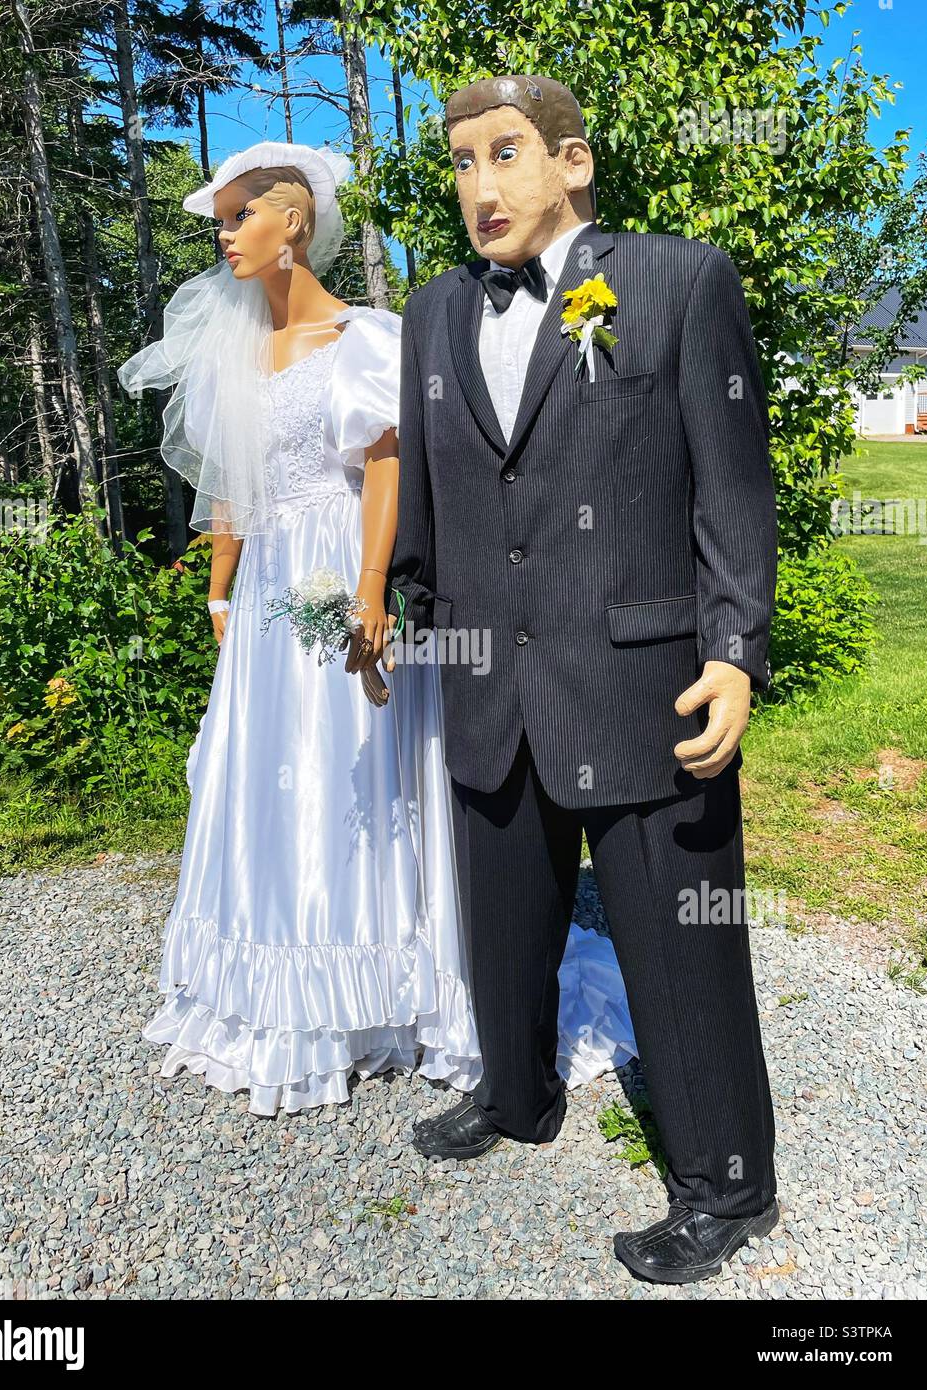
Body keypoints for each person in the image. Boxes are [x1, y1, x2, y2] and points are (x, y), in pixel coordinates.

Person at [118, 141, 635, 1119]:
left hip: (342, 577)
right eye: (219, 222)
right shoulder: (235, 352)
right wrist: (220, 596)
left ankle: (390, 989)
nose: (224, 238)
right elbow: (229, 490)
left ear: (295, 223)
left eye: (241, 217)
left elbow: (390, 468)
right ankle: (275, 989)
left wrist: (368, 590)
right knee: (266, 777)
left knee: (352, 766)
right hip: (270, 592)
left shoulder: (365, 339)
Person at [385, 75, 780, 1283]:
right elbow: (442, 500)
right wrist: (409, 616)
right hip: (487, 686)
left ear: (572, 160)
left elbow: (732, 488)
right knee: (503, 921)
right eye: (459, 161)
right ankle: (515, 1095)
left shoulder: (675, 282)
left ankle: (727, 1183)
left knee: (679, 938)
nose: (478, 184)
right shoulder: (432, 311)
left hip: (642, 682)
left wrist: (733, 652)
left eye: (503, 152)